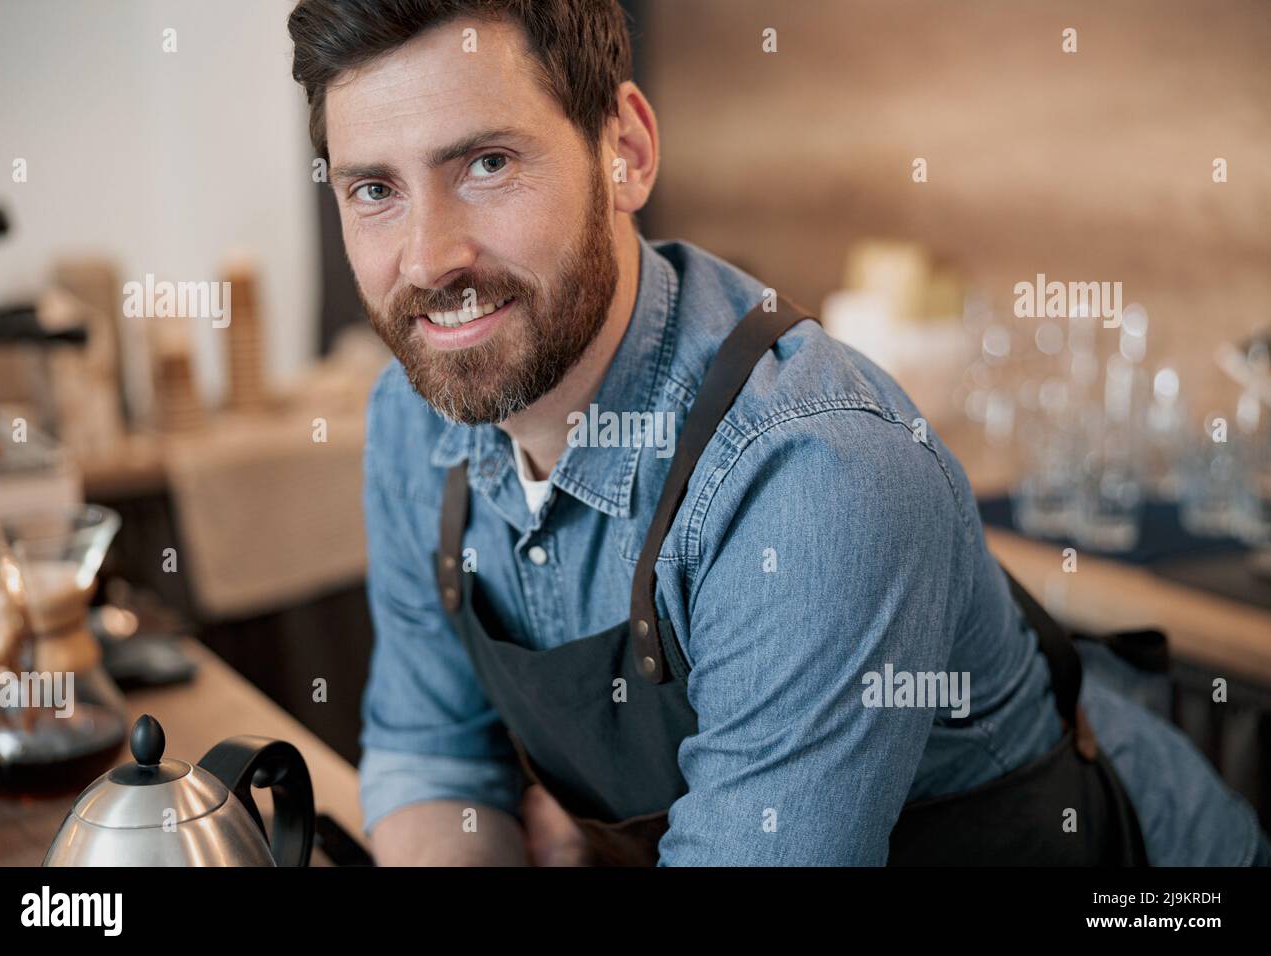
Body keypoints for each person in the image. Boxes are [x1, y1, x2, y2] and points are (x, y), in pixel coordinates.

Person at [287, 0, 1268, 866]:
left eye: (488, 163)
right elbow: (432, 753)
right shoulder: (412, 422)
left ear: (623, 149)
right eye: (375, 190)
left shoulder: (813, 475)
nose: (430, 258)